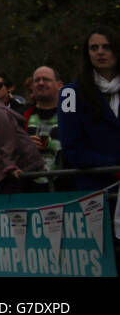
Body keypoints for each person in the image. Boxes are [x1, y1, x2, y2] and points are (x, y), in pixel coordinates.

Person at [58, 26, 120, 191]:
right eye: (94, 48)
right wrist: (113, 166)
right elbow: (71, 148)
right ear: (87, 54)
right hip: (97, 189)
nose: (100, 52)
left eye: (106, 46)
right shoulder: (69, 94)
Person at [24, 66, 63, 175]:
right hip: (31, 186)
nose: (41, 83)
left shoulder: (72, 115)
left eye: (46, 79)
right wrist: (25, 146)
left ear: (59, 85)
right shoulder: (21, 117)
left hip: (67, 185)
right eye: (37, 80)